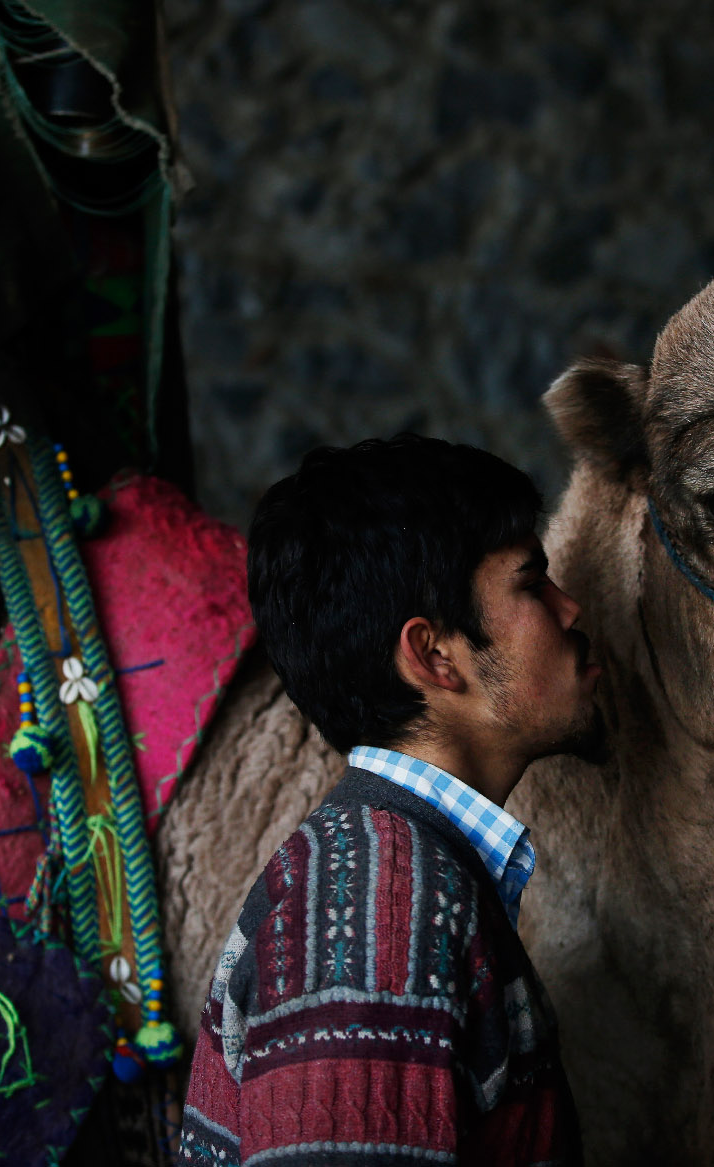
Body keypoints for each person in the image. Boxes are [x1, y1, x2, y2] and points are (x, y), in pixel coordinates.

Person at [176, 435, 600, 1166]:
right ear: (435, 655)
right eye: (533, 583)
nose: (571, 607)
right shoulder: (379, 906)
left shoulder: (392, 875)